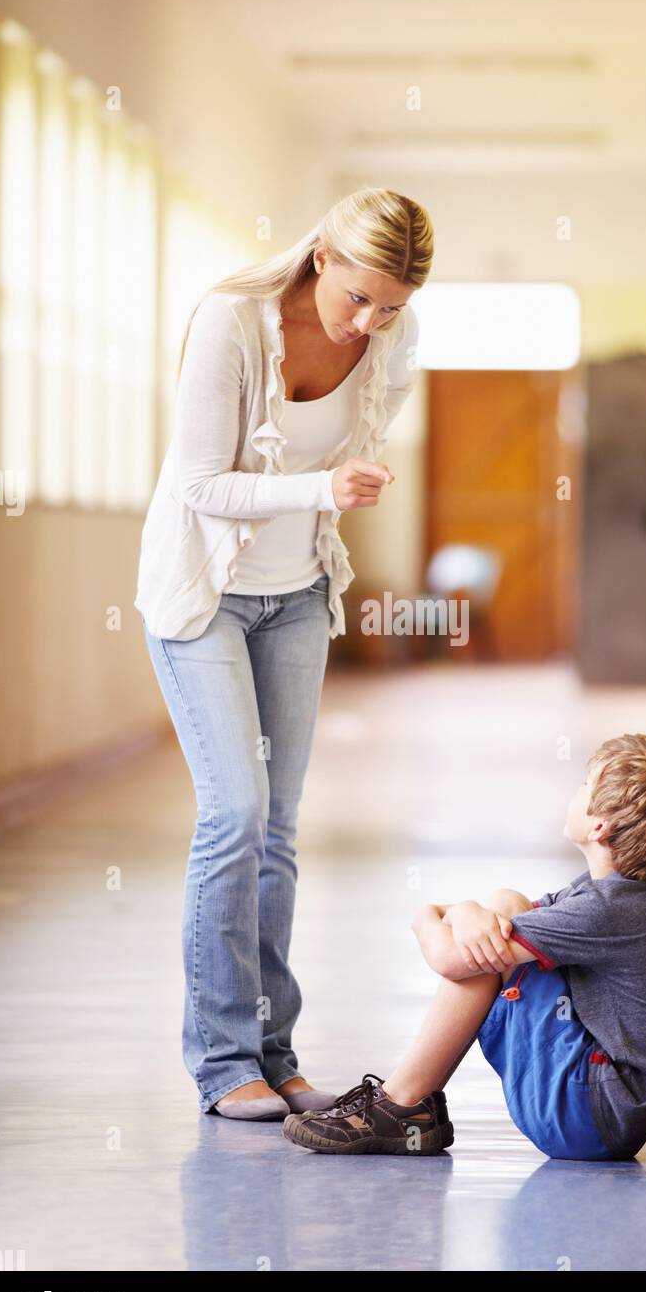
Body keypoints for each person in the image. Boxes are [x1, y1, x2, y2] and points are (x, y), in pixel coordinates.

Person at [135, 188, 434, 1119]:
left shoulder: (393, 338)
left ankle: (273, 1051)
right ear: (319, 260)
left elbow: (352, 448)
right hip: (204, 595)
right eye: (358, 298)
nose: (369, 323)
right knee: (236, 811)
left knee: (277, 831)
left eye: (391, 306)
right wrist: (320, 488)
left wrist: (340, 488)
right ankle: (224, 1064)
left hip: (298, 595)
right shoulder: (232, 322)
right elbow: (195, 485)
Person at [283, 732, 646, 1158]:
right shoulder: (614, 898)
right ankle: (409, 1107)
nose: (575, 791)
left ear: (599, 826)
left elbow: (451, 958)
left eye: (584, 785)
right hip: (601, 1112)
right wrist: (466, 911)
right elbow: (502, 919)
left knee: (493, 942)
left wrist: (428, 914)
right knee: (506, 907)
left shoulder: (609, 911)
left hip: (586, 1117)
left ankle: (402, 1103)